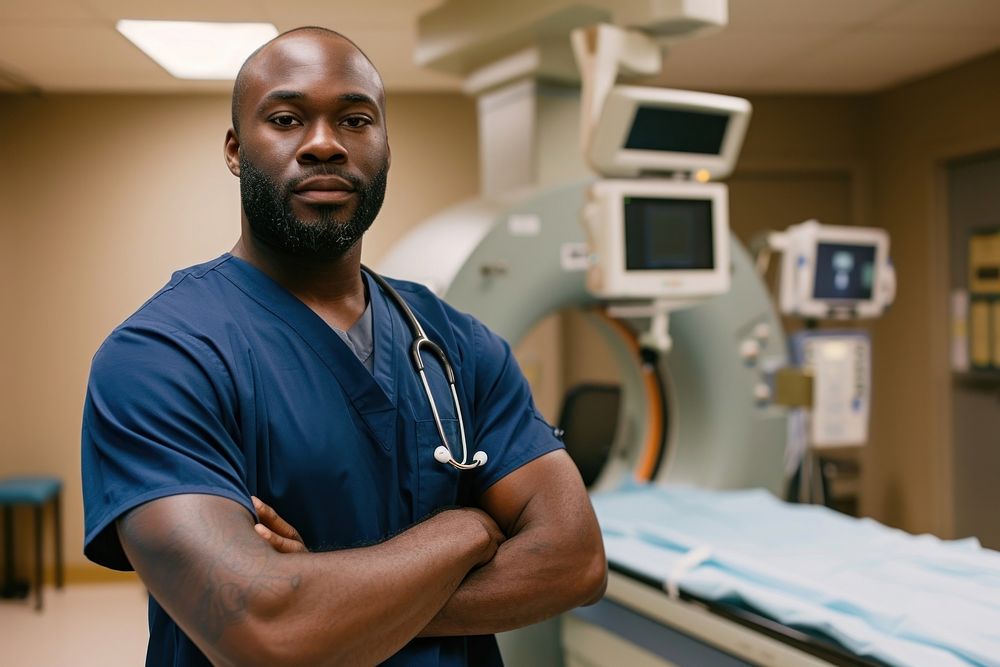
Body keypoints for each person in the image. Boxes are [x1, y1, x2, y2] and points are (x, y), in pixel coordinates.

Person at [81, 25, 606, 667]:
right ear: (235, 149)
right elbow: (264, 631)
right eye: (286, 118)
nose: (324, 144)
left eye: (356, 120)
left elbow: (576, 560)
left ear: (384, 148)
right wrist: (464, 530)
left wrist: (333, 606)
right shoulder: (162, 358)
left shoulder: (456, 343)